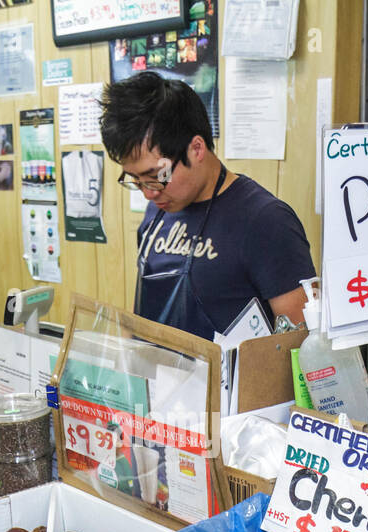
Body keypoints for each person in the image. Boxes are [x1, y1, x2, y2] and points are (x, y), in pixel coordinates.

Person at [99, 71, 315, 340]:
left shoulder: (265, 220)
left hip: (234, 381)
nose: (148, 193)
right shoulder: (158, 212)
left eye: (156, 177)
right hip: (158, 378)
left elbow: (302, 340)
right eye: (136, 180)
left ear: (197, 149)